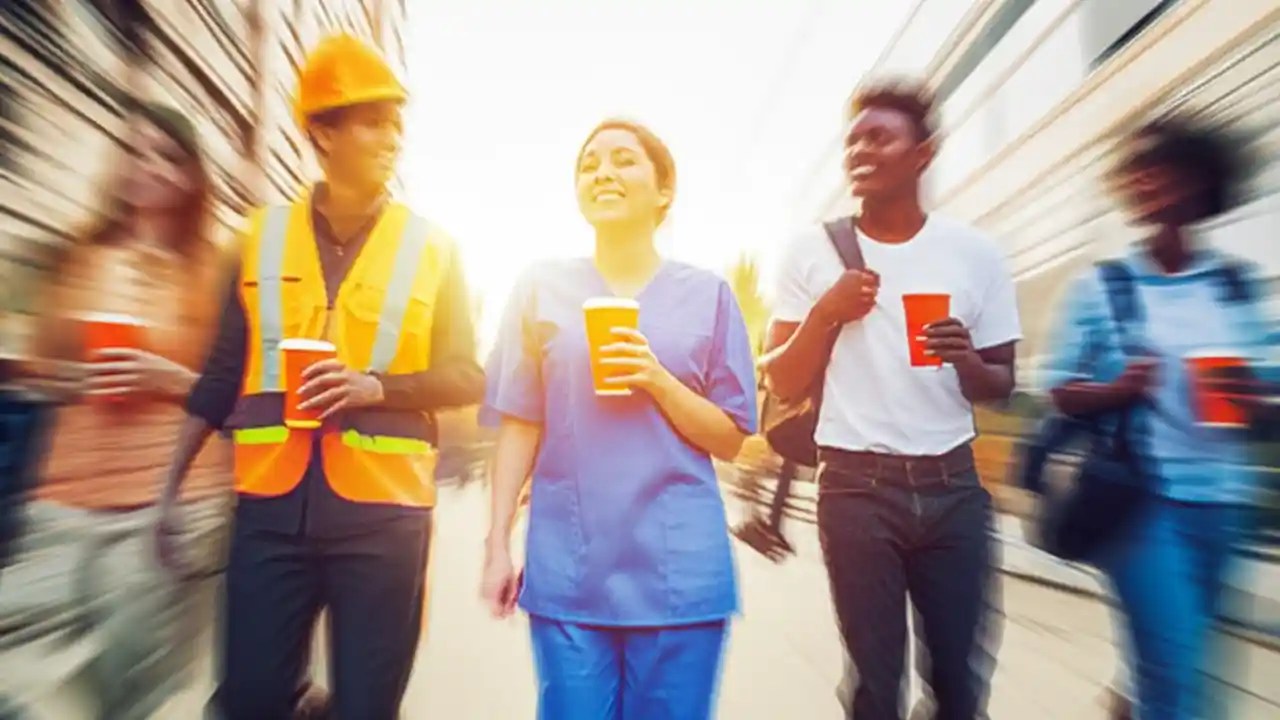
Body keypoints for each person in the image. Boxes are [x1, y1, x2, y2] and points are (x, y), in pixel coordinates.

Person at [153, 34, 484, 718]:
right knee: (249, 700)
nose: (391, 136)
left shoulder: (435, 248)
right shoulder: (257, 238)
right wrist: (167, 492)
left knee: (367, 707)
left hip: (385, 523)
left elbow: (465, 375)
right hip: (270, 516)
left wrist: (378, 388)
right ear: (321, 132)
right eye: (371, 120)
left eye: (395, 121)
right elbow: (220, 376)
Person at [480, 118, 758, 720]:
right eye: (589, 163)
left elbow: (732, 438)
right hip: (568, 568)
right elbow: (519, 424)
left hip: (679, 574)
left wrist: (658, 379)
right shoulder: (538, 288)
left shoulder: (709, 295)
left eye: (623, 160)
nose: (602, 171)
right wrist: (497, 545)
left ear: (664, 191)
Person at [763, 80, 1019, 719]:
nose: (860, 150)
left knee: (961, 688)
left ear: (923, 153)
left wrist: (966, 359)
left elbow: (1002, 385)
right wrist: (825, 312)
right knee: (876, 687)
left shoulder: (974, 254)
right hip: (855, 488)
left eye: (879, 137)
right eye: (852, 139)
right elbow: (779, 380)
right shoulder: (811, 251)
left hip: (953, 487)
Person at [0, 100, 231, 719]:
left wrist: (166, 375)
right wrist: (69, 376)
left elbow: (233, 390)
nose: (146, 166)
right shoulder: (81, 256)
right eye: (133, 150)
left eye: (165, 155)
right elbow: (40, 371)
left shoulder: (215, 270)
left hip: (170, 502)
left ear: (190, 177)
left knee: (129, 691)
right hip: (64, 497)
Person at [1042, 117, 1278, 720]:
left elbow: (1264, 388)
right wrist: (1117, 388)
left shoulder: (1231, 285)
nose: (1147, 179)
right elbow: (1059, 391)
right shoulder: (1103, 287)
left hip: (1225, 502)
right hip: (1142, 502)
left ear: (1200, 183)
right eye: (1136, 170)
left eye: (1161, 166)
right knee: (1176, 680)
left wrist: (1255, 402)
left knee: (1200, 675)